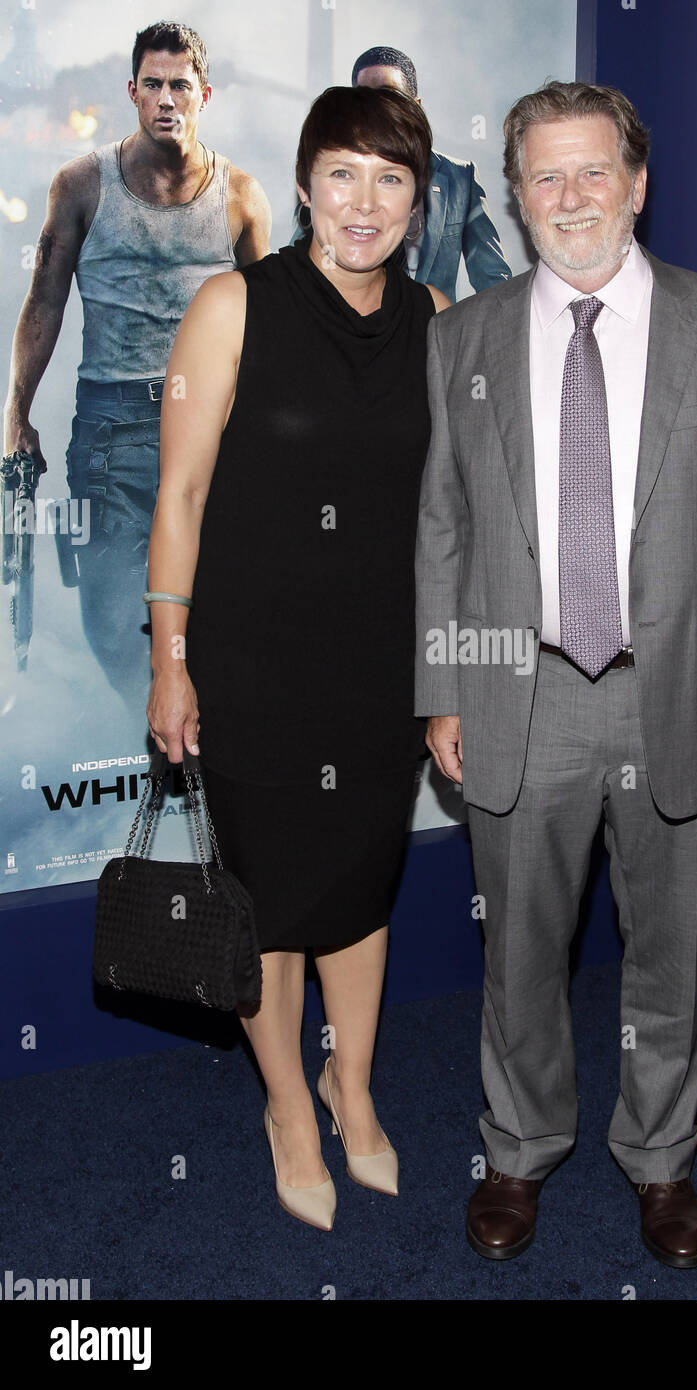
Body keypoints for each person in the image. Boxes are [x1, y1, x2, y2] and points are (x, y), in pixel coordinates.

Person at [415, 81, 697, 1264]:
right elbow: (439, 525)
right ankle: (517, 1145)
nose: (569, 196)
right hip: (521, 691)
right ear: (515, 194)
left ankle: (659, 1159)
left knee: (670, 952)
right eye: (543, 176)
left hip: (684, 690)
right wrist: (443, 683)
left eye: (593, 171)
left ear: (637, 184)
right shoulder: (464, 336)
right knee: (520, 948)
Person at [145, 84, 448, 1231]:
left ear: (415, 202)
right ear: (307, 181)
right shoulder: (235, 305)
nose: (362, 201)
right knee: (270, 897)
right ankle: (285, 1103)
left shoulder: (431, 316)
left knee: (360, 884)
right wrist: (170, 659)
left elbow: (447, 513)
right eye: (341, 174)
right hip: (253, 656)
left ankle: (351, 1087)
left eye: (389, 179)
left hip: (379, 661)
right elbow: (176, 495)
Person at [1, 21, 270, 702]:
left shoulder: (241, 195)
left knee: (215, 600)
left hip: (211, 423)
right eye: (152, 84)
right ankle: (140, 729)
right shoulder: (80, 185)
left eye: (180, 84)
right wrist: (16, 415)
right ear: (132, 92)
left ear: (203, 92)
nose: (166, 99)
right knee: (111, 610)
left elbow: (266, 322)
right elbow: (43, 302)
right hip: (110, 427)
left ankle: (206, 747)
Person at [350, 45, 511, 302]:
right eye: (363, 97)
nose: (376, 108)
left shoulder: (460, 178)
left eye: (389, 95)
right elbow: (301, 272)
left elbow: (492, 279)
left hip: (434, 336)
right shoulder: (333, 178)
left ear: (416, 106)